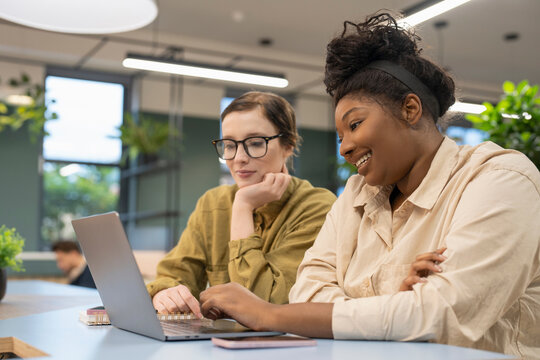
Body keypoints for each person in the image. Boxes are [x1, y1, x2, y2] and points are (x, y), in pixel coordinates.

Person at [198, 13, 540, 359]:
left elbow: (441, 315)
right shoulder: (356, 197)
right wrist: (400, 304)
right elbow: (307, 294)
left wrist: (270, 315)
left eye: (355, 124)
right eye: (340, 136)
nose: (345, 147)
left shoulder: (500, 179)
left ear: (410, 109)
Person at [146, 91, 336, 318]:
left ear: (288, 146)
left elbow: (265, 304)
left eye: (255, 143)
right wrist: (165, 293)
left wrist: (243, 206)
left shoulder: (317, 207)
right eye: (229, 145)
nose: (238, 158)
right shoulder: (213, 203)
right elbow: (175, 273)